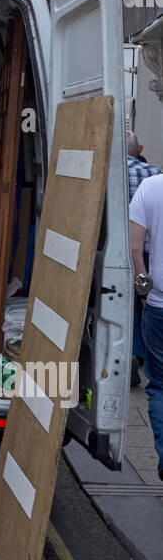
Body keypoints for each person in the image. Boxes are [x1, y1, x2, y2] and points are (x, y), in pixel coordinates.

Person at [128, 166, 163, 482]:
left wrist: (143, 289)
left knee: (160, 387)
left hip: (159, 305)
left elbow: (135, 248)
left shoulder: (151, 187)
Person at [127, 130, 160, 386]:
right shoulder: (153, 172)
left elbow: (134, 248)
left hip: (131, 249)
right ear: (140, 149)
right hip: (154, 248)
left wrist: (142, 287)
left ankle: (134, 353)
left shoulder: (114, 173)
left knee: (134, 306)